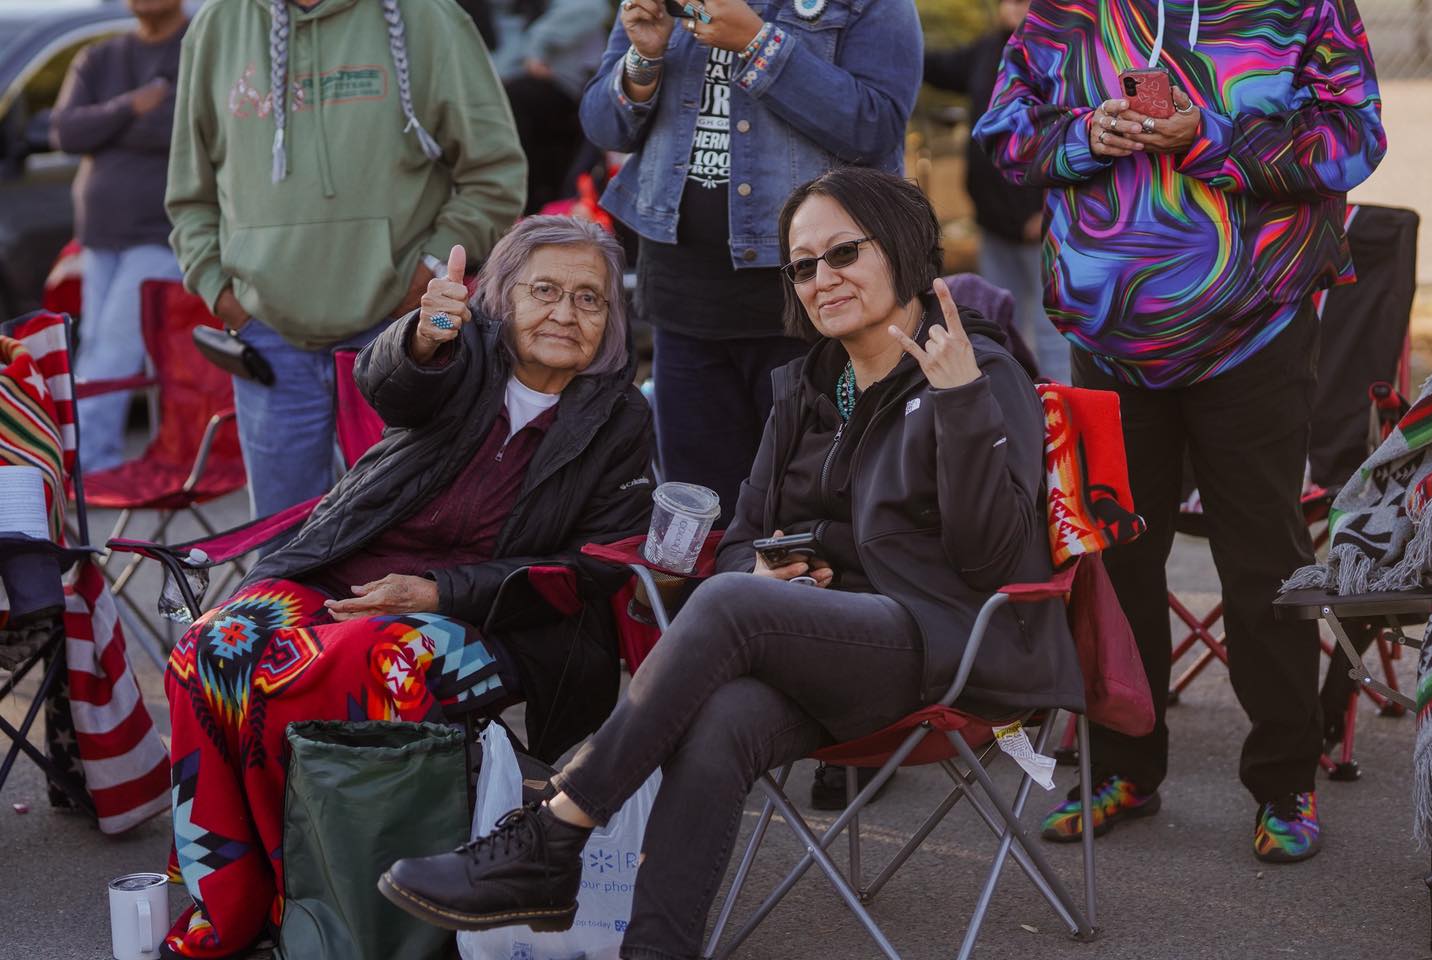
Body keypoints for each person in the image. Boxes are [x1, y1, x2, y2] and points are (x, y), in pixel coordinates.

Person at [379, 167, 1082, 958]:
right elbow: (745, 537)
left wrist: (959, 404)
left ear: (905, 249)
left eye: (844, 253)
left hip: (952, 647)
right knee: (720, 717)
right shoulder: (810, 386)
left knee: (723, 608)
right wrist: (770, 573)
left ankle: (552, 834)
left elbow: (993, 559)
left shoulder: (980, 373)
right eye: (805, 265)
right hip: (829, 651)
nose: (824, 279)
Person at [161, 217, 655, 959]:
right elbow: (388, 382)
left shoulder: (620, 416)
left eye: (590, 300)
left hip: (497, 619)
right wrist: (422, 335)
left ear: (612, 320)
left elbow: (592, 569)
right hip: (344, 569)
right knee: (213, 650)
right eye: (545, 290)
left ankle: (337, 908)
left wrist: (435, 592)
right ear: (503, 300)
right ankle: (232, 904)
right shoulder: (464, 354)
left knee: (355, 665)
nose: (565, 312)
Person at [974, 0, 1386, 863]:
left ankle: (1285, 782)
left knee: (1264, 559)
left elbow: (1356, 135)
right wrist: (1091, 132)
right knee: (1118, 557)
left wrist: (1216, 140)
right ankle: (1125, 764)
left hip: (1258, 330)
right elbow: (1006, 133)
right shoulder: (1069, 12)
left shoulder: (1303, 9)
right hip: (1109, 339)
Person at [166, 0, 526, 521]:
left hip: (399, 333)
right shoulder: (218, 23)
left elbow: (494, 172)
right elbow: (188, 192)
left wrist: (423, 274)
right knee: (280, 544)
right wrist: (224, 295)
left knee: (397, 537)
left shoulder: (428, 17)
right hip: (269, 338)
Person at [577, 0, 923, 533]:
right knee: (701, 513)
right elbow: (603, 126)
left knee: (816, 509)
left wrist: (758, 43)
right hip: (682, 294)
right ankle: (711, 614)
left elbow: (875, 126)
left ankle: (802, 617)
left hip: (813, 297)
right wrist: (643, 58)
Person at [49, 0, 188, 473]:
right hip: (98, 235)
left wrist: (106, 127)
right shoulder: (98, 57)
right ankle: (90, 461)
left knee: (113, 346)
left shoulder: (201, 46)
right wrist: (131, 106)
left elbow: (189, 129)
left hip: (162, 235)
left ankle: (86, 469)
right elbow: (65, 132)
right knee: (92, 346)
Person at [922, 0, 1070, 385]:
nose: (1013, 8)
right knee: (999, 324)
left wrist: (1045, 210)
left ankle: (1065, 419)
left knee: (1053, 331)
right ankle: (1016, 407)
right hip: (993, 221)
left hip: (1042, 225)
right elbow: (937, 67)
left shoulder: (1057, 53)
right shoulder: (988, 50)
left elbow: (1064, 138)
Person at [490, 0, 613, 213]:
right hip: (516, 81)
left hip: (568, 86)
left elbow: (593, 8)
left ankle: (524, 205)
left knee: (517, 103)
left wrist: (537, 48)